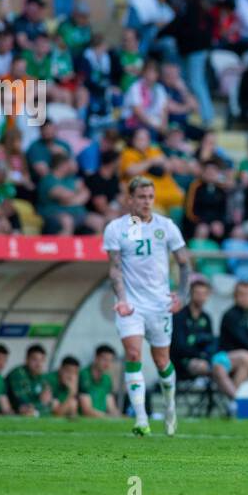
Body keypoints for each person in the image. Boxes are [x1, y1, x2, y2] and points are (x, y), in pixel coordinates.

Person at [103, 175, 191, 436]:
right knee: (133, 354)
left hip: (159, 304)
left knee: (162, 360)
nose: (146, 202)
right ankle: (141, 419)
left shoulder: (167, 226)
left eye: (150, 197)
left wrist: (183, 297)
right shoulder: (115, 229)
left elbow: (185, 263)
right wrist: (121, 300)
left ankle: (170, 407)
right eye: (141, 197)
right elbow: (115, 269)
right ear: (130, 199)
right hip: (131, 304)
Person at [171, 277, 244, 402]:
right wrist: (200, 354)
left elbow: (210, 341)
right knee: (218, 368)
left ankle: (238, 397)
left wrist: (207, 354)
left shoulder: (206, 317)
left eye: (204, 294)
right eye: (198, 293)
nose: (201, 297)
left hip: (206, 358)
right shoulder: (180, 317)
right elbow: (178, 347)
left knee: (243, 358)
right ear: (191, 294)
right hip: (185, 362)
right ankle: (238, 401)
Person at [7, 344, 53, 416]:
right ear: (27, 359)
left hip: (31, 410)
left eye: (42, 360)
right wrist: (40, 403)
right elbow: (22, 403)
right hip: (13, 411)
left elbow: (48, 404)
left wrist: (42, 404)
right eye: (35, 359)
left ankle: (36, 413)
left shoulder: (42, 378)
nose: (38, 364)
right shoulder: (18, 374)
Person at [79, 345, 122, 417]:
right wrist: (108, 416)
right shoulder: (84, 375)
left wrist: (117, 414)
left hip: (102, 418)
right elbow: (86, 409)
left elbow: (111, 406)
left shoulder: (107, 379)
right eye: (105, 359)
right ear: (96, 358)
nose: (107, 364)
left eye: (110, 360)